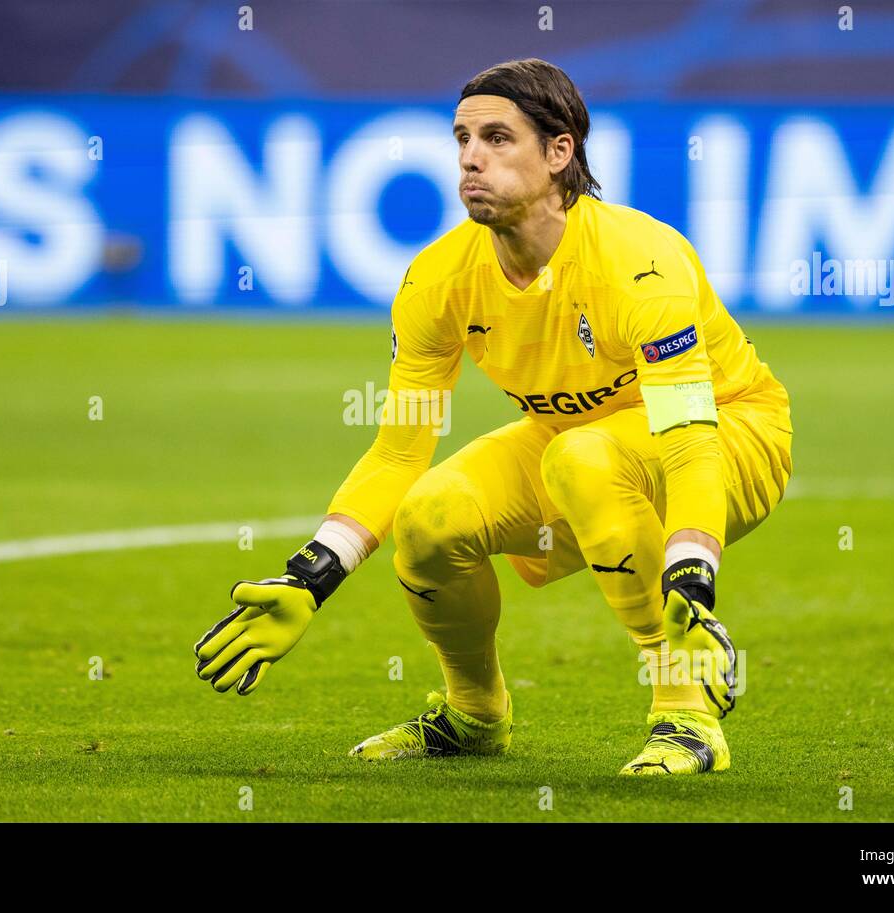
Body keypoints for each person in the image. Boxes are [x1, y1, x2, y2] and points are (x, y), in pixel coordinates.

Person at [195, 58, 793, 775]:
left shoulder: (641, 263)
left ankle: (686, 716)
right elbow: (396, 454)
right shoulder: (437, 280)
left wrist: (691, 570)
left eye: (498, 138)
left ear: (559, 152)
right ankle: (474, 715)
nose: (471, 156)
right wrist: (311, 573)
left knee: (585, 458)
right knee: (429, 518)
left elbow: (689, 435)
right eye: (462, 138)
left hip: (732, 436)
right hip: (576, 446)